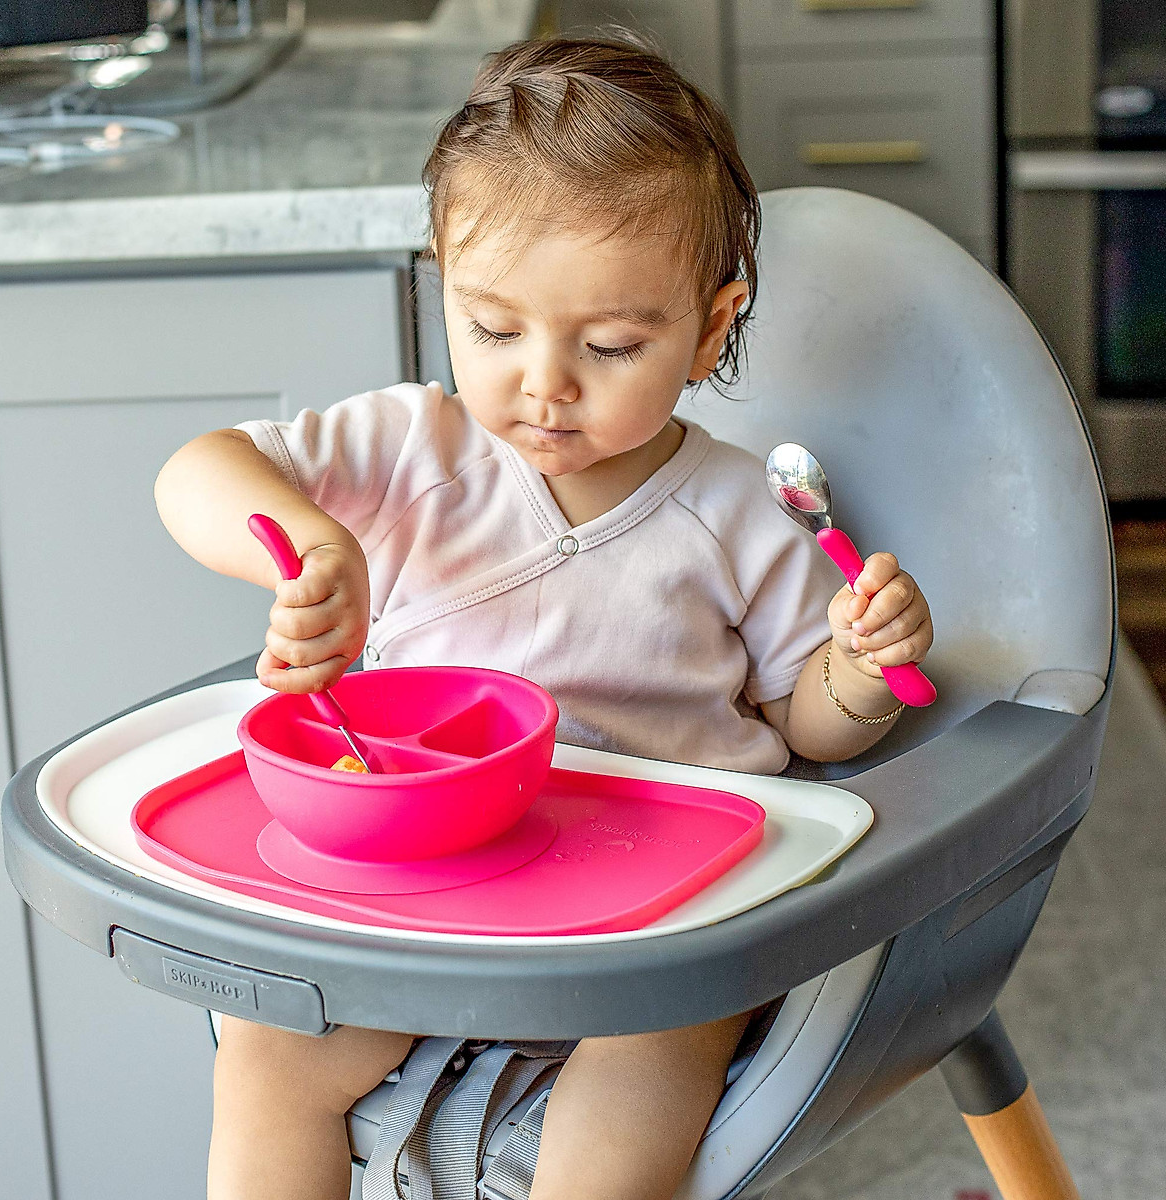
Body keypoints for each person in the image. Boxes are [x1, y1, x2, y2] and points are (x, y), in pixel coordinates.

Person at [155, 33, 933, 1200]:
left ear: (710, 329)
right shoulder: (411, 451)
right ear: (444, 290)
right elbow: (198, 470)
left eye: (610, 345)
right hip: (434, 880)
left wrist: (863, 668)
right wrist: (311, 543)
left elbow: (807, 724)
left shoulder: (740, 510)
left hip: (655, 914)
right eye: (494, 329)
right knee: (267, 1057)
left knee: (656, 1053)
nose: (544, 383)